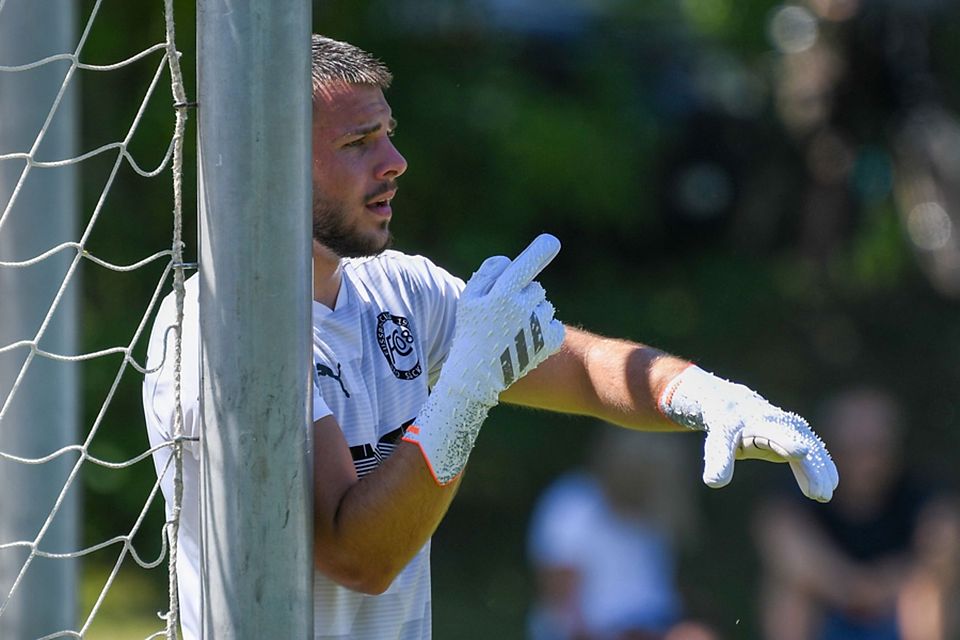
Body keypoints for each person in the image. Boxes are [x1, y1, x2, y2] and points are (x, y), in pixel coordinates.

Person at [142, 34, 838, 640]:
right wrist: (467, 390)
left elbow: (580, 368)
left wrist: (707, 397)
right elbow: (361, 557)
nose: (395, 161)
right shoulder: (217, 329)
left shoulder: (397, 288)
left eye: (388, 132)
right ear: (272, 163)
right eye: (359, 143)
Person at [754, 386, 960, 640]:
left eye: (876, 447)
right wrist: (850, 587)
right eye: (853, 447)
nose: (866, 459)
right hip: (829, 610)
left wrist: (883, 585)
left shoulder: (920, 490)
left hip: (897, 613)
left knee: (925, 593)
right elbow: (783, 543)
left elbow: (941, 553)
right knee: (790, 593)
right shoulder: (802, 488)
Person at [527, 426, 718, 640]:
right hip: (597, 632)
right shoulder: (574, 503)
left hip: (653, 626)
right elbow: (560, 599)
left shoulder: (656, 513)